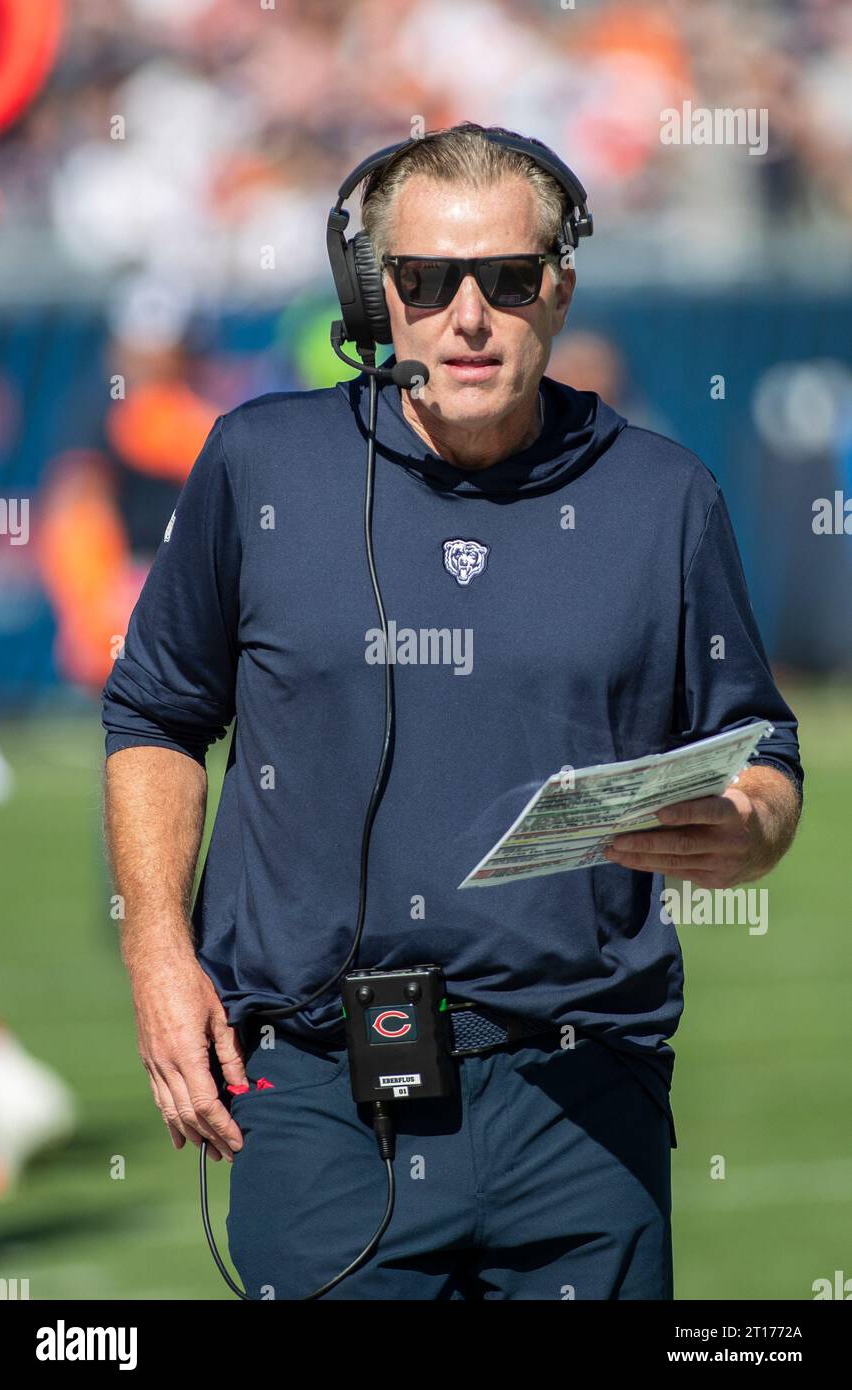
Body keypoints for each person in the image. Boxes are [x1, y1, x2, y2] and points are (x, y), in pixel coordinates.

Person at [101, 123, 803, 1301]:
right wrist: (157, 958)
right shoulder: (258, 465)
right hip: (318, 1091)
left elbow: (762, 752)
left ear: (559, 289)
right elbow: (157, 716)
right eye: (425, 281)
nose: (466, 316)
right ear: (375, 296)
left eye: (507, 279)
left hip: (585, 1095)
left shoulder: (664, 493)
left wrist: (748, 827)